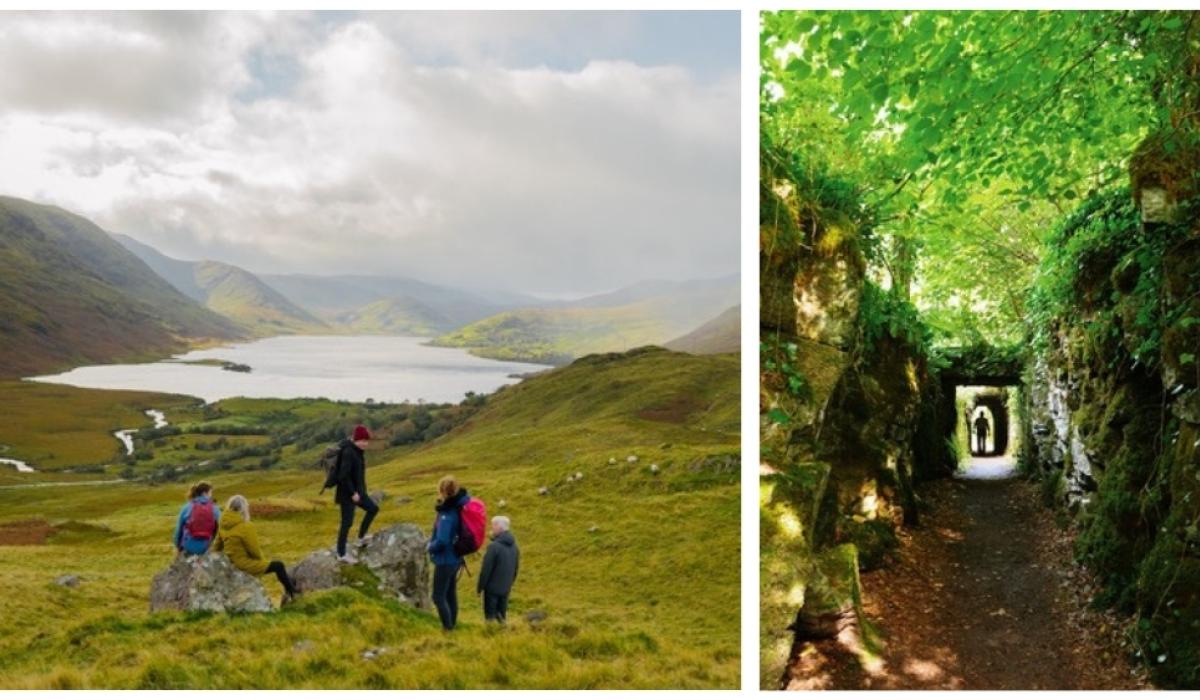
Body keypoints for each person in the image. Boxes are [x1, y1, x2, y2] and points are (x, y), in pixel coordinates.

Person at [216, 495, 299, 606]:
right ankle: (293, 592)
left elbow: (217, 547)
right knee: (278, 566)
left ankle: (291, 591)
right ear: (243, 509)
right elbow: (254, 550)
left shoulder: (223, 525)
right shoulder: (246, 526)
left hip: (232, 563)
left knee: (276, 566)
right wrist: (262, 563)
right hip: (243, 564)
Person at [428, 475, 470, 631]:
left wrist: (430, 547)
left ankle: (448, 628)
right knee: (450, 593)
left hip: (445, 560)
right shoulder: (458, 507)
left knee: (438, 596)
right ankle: (452, 624)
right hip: (455, 558)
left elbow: (442, 541)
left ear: (442, 492)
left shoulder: (447, 515)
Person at [334, 424, 379, 564]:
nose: (365, 443)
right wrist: (353, 492)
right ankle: (341, 554)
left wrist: (360, 491)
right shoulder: (348, 452)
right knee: (347, 523)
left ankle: (361, 538)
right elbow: (343, 476)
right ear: (356, 440)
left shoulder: (358, 452)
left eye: (367, 441)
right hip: (347, 494)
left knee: (373, 509)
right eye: (362, 440)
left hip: (359, 493)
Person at [477, 515, 520, 623]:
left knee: (490, 617)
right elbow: (515, 569)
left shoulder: (493, 547)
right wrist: (509, 583)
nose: (492, 529)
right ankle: (503, 636)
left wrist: (480, 587)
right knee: (502, 616)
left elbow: (486, 570)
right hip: (505, 587)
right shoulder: (515, 547)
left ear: (499, 527)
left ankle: (490, 635)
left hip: (491, 588)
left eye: (493, 526)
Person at [173, 481, 220, 555]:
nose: (211, 495)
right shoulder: (215, 508)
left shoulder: (187, 507)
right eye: (210, 493)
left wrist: (178, 546)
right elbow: (220, 529)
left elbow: (178, 530)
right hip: (207, 548)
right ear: (205, 493)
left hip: (187, 547)